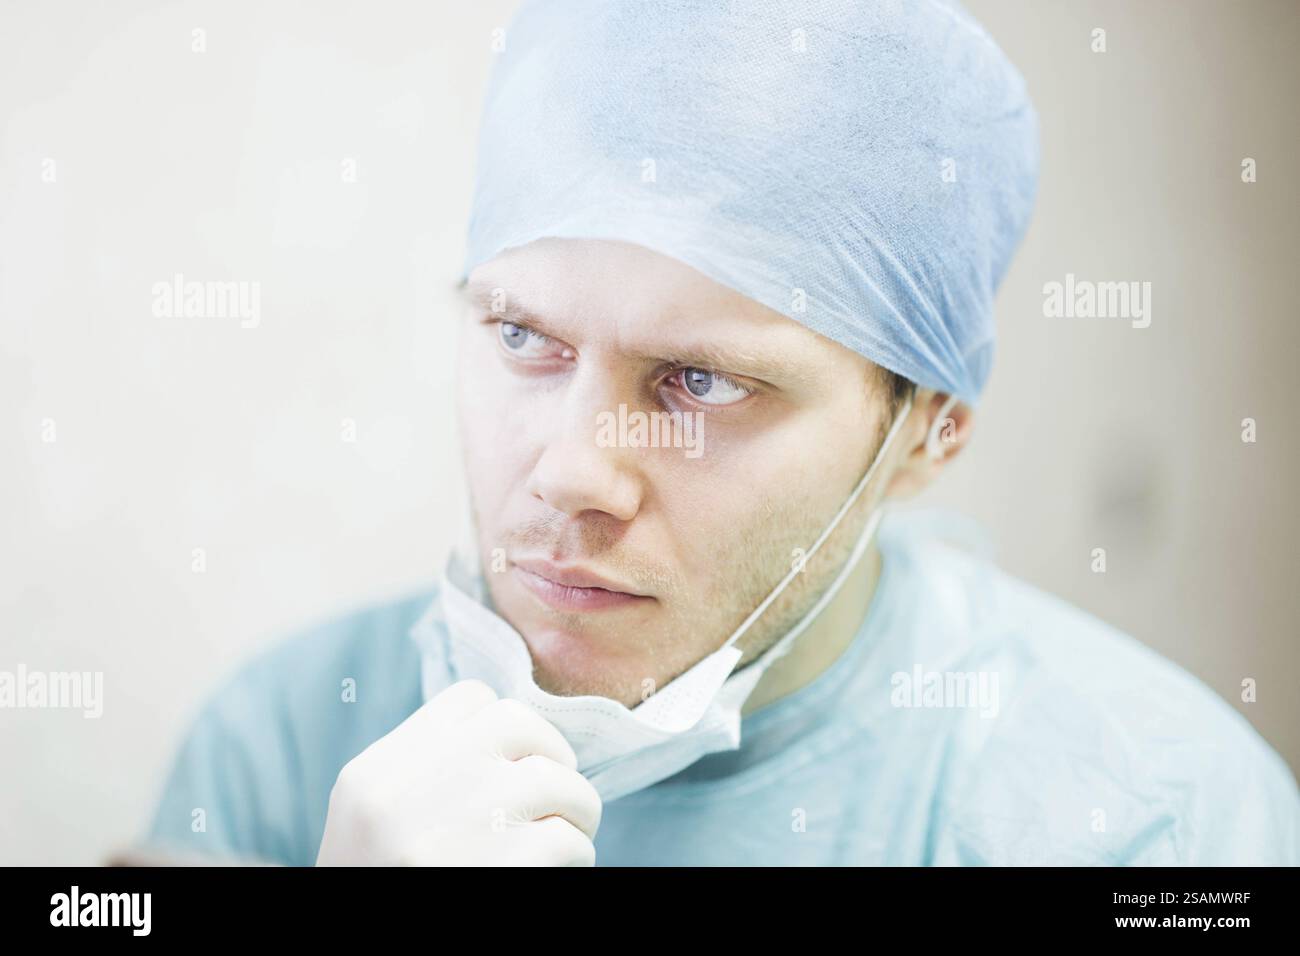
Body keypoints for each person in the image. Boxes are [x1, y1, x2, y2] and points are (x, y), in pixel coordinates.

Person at [144, 0, 1299, 866]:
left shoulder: (1159, 821)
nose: (569, 471)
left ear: (925, 435)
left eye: (699, 380)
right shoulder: (283, 746)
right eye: (521, 336)